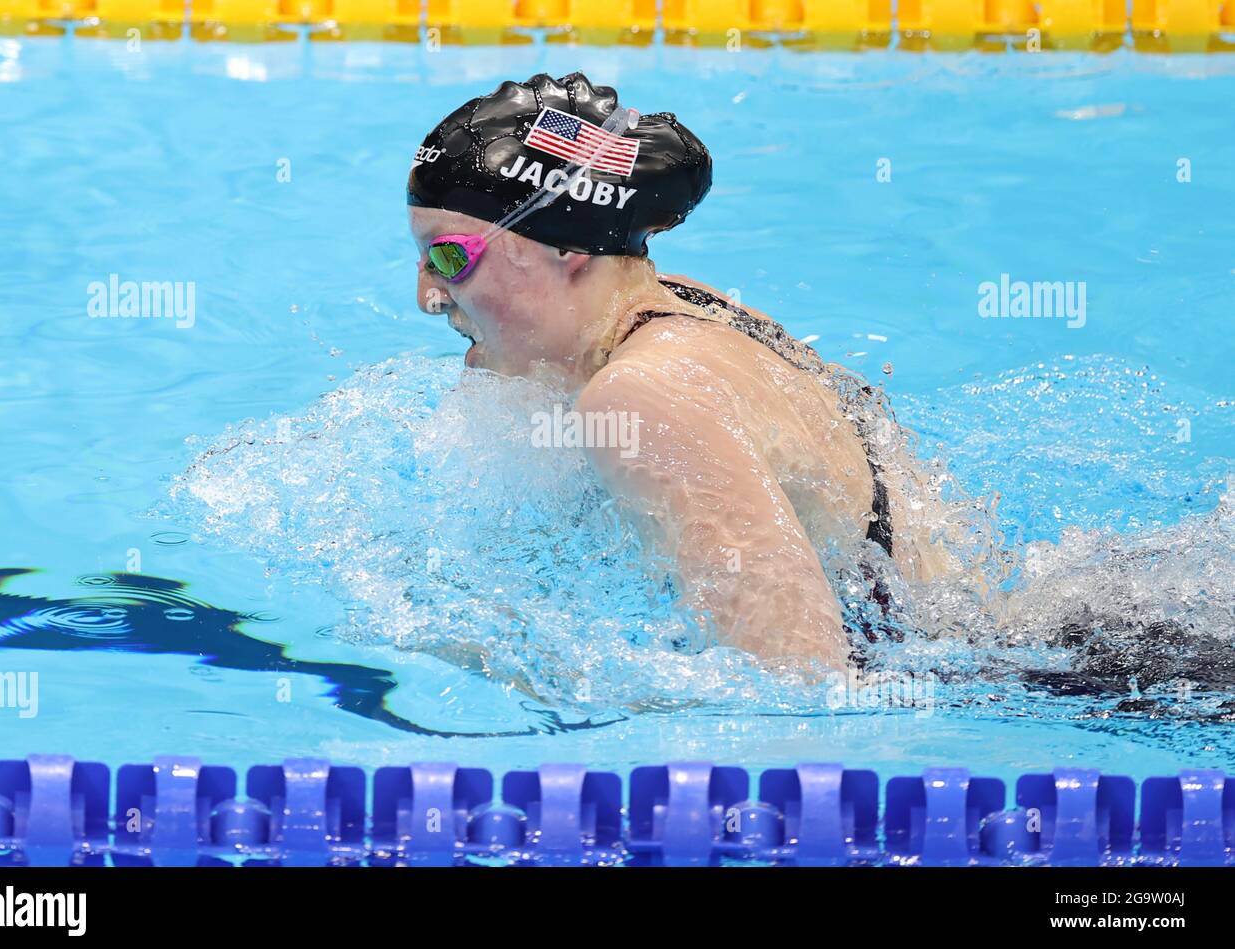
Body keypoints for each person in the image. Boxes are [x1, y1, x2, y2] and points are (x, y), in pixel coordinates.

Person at [408, 72, 953, 674]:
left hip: (989, 683)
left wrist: (508, 667)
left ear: (566, 248)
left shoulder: (640, 397)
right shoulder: (684, 307)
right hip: (957, 638)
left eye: (450, 256)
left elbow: (797, 687)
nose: (428, 296)